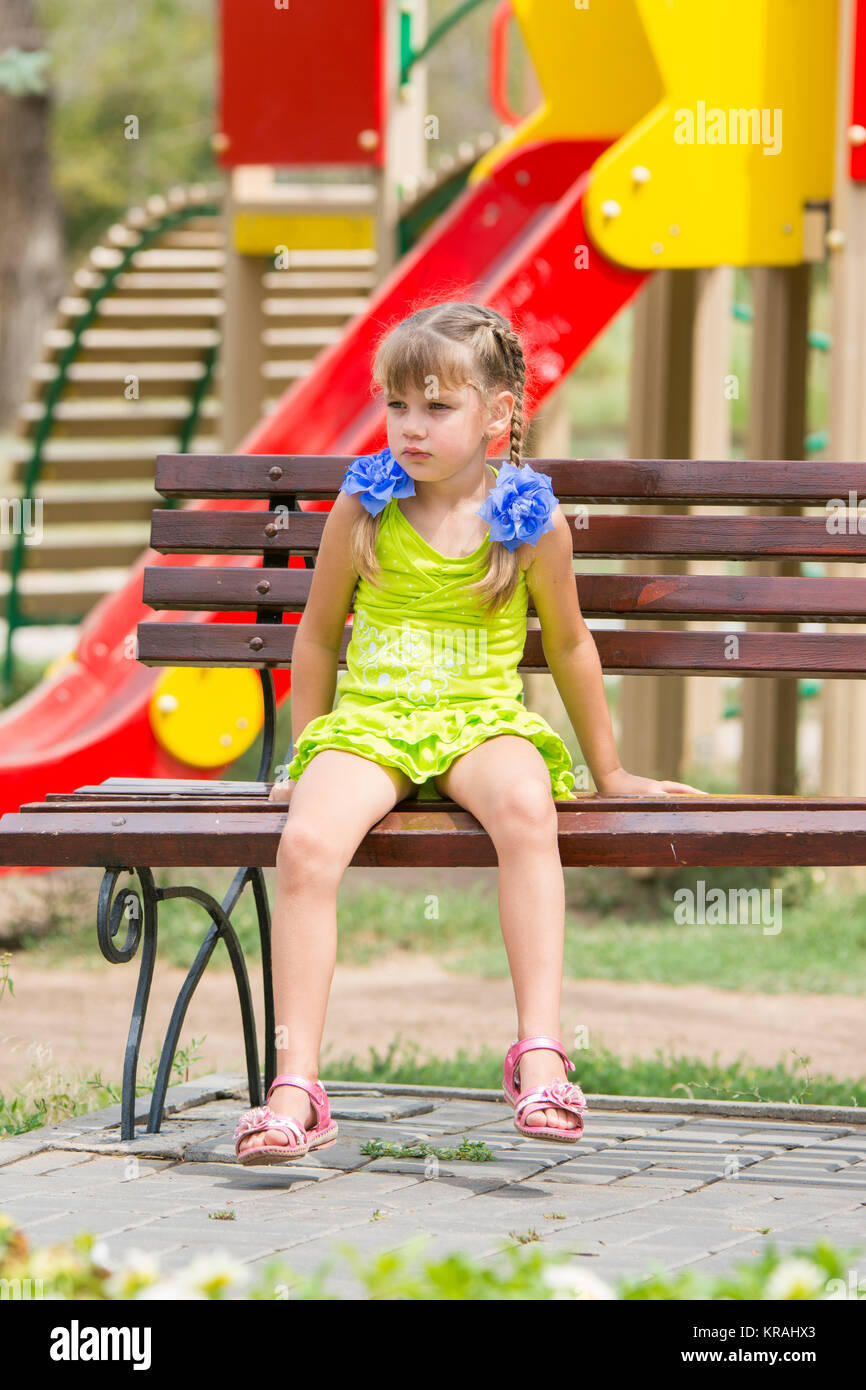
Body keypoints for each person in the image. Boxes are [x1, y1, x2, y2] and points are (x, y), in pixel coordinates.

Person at [234, 300, 706, 1165]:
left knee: (528, 808)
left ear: (497, 415)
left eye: (437, 407)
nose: (410, 427)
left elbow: (567, 644)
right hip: (372, 720)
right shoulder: (365, 507)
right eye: (398, 405)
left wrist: (612, 773)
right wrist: (306, 753)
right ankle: (297, 1085)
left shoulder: (528, 520)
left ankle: (539, 1055)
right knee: (304, 846)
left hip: (478, 720)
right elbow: (313, 635)